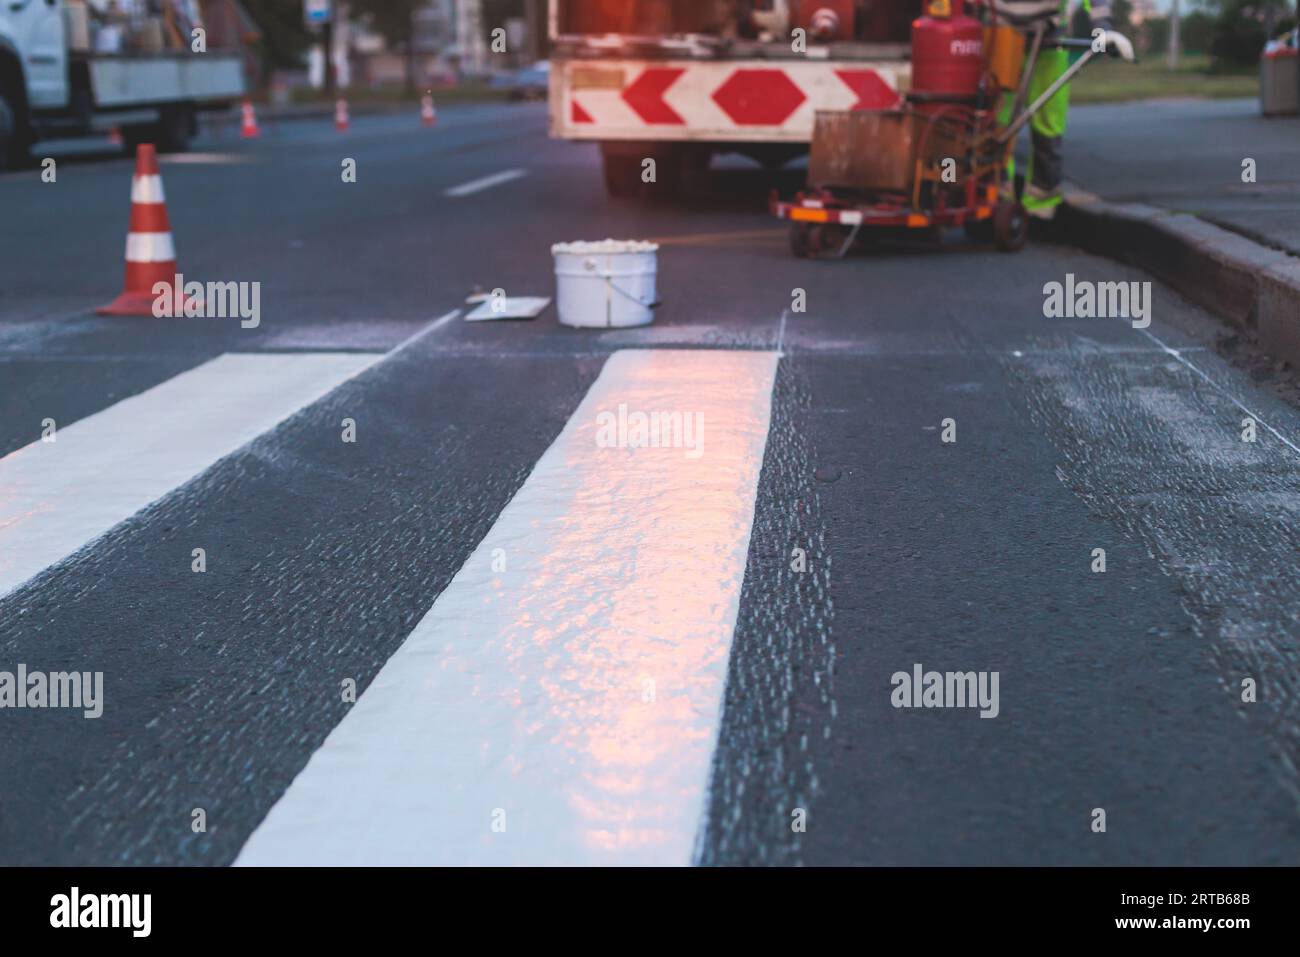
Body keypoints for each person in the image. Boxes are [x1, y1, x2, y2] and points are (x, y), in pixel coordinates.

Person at [990, 0, 1131, 220]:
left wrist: (1102, 27)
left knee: (1047, 123)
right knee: (993, 121)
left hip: (1049, 38)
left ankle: (1039, 205)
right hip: (998, 35)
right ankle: (993, 198)